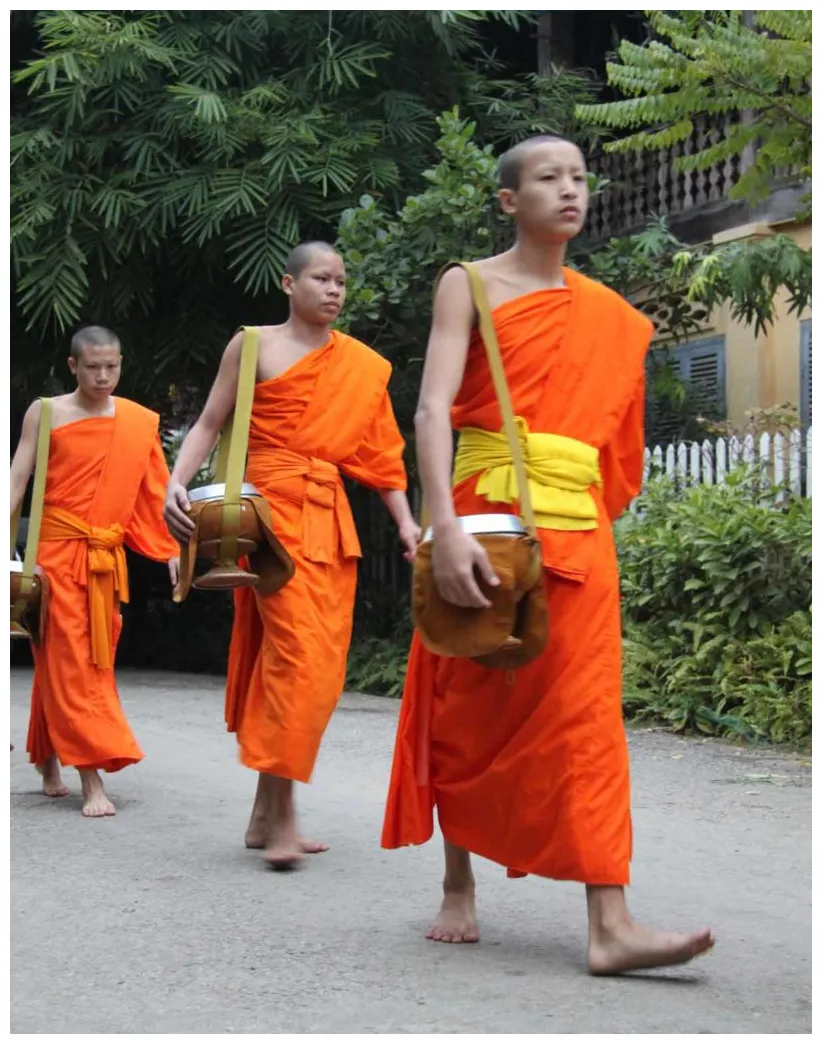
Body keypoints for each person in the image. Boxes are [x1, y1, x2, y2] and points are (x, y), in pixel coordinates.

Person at [381, 136, 715, 975]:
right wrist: (443, 527)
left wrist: (577, 507)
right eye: (548, 178)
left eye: (578, 178)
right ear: (508, 200)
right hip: (484, 518)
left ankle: (611, 923)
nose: (570, 190)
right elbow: (432, 411)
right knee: (466, 701)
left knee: (588, 723)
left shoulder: (610, 316)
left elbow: (617, 452)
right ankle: (458, 882)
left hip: (577, 532)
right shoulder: (468, 284)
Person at [164, 241, 420, 870]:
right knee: (297, 662)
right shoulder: (252, 345)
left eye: (341, 281)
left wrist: (407, 524)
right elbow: (210, 422)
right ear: (288, 284)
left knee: (319, 672)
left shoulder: (360, 366)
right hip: (268, 524)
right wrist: (175, 482)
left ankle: (264, 813)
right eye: (321, 279)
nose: (334, 290)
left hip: (329, 525)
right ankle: (284, 819)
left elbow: (383, 457)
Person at [10, 325, 180, 817]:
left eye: (112, 367)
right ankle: (91, 777)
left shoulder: (136, 423)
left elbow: (154, 493)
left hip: (104, 560)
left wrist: (172, 550)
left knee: (66, 661)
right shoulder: (46, 412)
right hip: (55, 555)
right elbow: (16, 483)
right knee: (75, 663)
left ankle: (47, 758)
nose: (103, 376)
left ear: (121, 364)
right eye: (92, 367)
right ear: (73, 366)